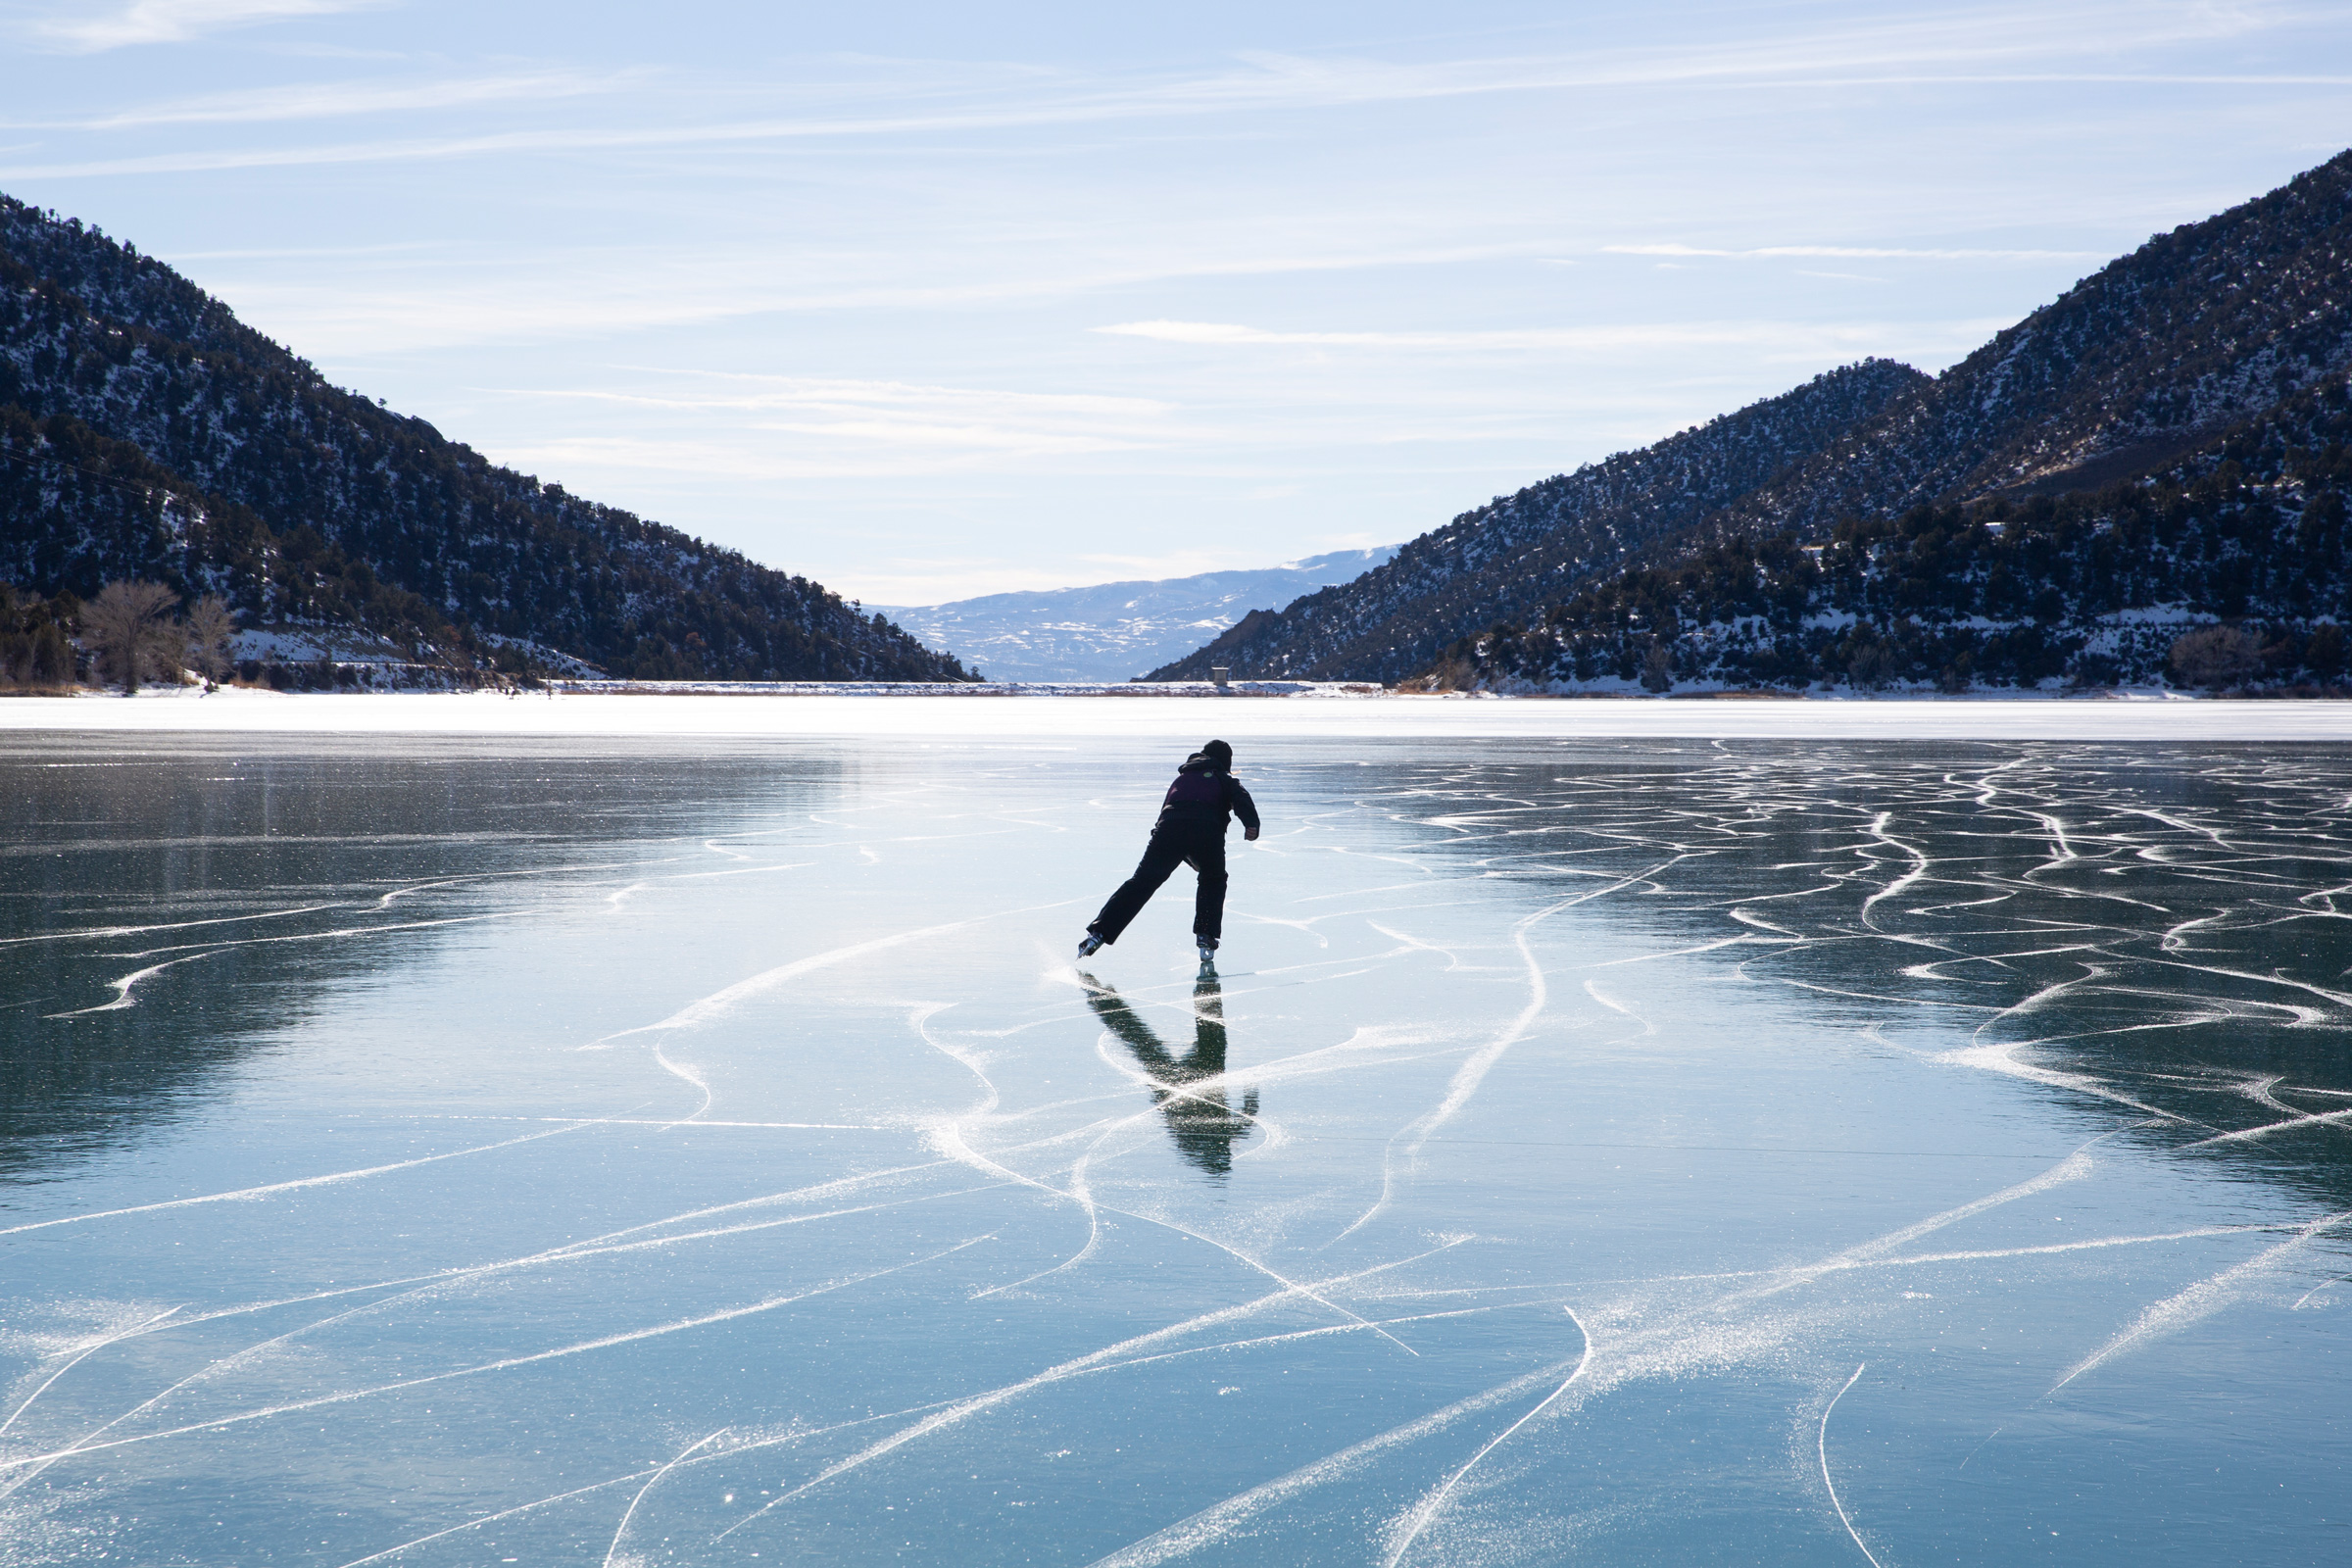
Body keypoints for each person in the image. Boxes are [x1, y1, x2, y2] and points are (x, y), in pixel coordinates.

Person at [1078, 738, 1259, 966]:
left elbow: (1167, 815)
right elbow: (1242, 798)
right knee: (1213, 879)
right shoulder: (1223, 778)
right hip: (1207, 830)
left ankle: (1099, 933)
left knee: (1142, 882)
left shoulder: (1181, 779)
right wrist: (1251, 824)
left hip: (1168, 832)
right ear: (1225, 761)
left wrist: (1173, 849)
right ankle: (1206, 935)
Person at [1079, 970, 1258, 1178]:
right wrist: (1250, 1088)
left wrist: (1250, 1087)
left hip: (1183, 1084)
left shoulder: (1196, 1145)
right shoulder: (1202, 1144)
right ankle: (1206, 991)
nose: (1227, 1150)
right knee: (1152, 1045)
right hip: (1192, 1080)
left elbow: (1248, 1114)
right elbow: (1248, 1114)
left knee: (1150, 1044)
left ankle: (1206, 990)